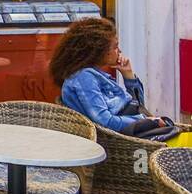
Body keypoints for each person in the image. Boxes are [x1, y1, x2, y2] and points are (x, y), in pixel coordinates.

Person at [50, 18, 192, 147]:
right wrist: (145, 120)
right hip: (131, 142)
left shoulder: (94, 74)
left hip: (139, 135)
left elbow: (137, 105)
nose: (119, 51)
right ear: (99, 50)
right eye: (115, 47)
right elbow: (105, 122)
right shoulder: (84, 78)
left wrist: (128, 76)